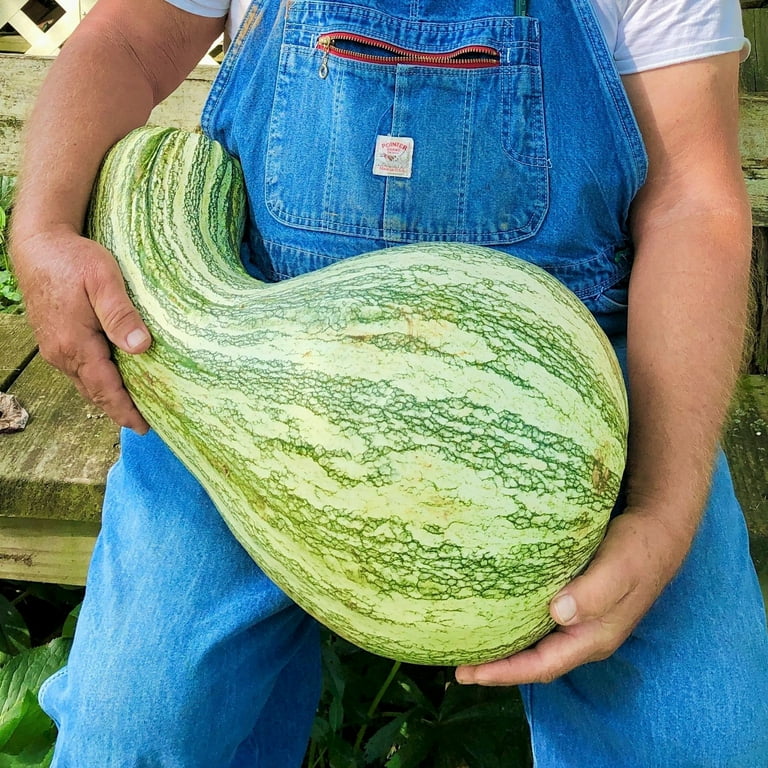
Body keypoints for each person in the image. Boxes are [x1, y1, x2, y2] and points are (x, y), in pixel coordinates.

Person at [9, 0, 768, 765]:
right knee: (135, 728)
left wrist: (662, 511)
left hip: (579, 385)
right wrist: (39, 228)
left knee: (701, 740)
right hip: (249, 377)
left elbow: (691, 203)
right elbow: (127, 38)